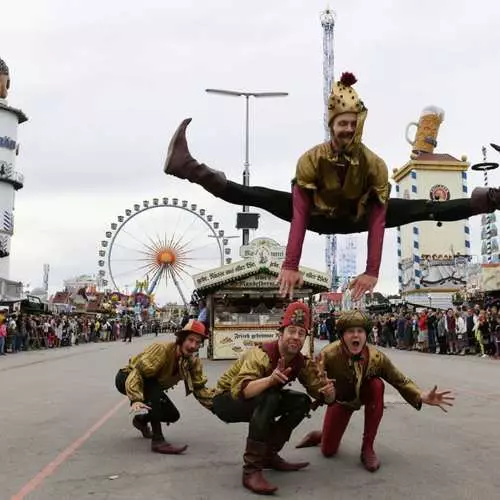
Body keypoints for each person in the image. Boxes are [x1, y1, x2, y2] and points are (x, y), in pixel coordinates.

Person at [164, 73, 500, 299]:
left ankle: (495, 198)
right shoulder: (311, 160)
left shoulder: (375, 164)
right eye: (342, 123)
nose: (347, 129)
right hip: (316, 216)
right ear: (331, 125)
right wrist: (291, 263)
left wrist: (371, 272)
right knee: (254, 194)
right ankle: (187, 167)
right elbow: (298, 212)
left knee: (428, 209)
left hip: (359, 216)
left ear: (360, 125)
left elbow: (379, 220)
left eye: (353, 124)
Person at [295, 310, 454, 472]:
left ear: (366, 335)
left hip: (366, 393)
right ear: (342, 336)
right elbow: (314, 382)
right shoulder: (328, 354)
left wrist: (420, 394)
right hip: (341, 400)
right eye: (350, 331)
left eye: (360, 331)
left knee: (377, 385)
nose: (355, 336)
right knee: (328, 451)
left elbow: (399, 379)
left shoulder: (376, 357)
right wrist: (325, 392)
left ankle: (367, 448)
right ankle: (321, 436)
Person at [212, 302, 335, 495]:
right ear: (281, 333)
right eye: (291, 331)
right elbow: (242, 390)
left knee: (301, 402)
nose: (296, 337)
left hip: (261, 396)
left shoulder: (299, 362)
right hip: (226, 400)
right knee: (269, 397)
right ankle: (251, 470)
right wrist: (270, 380)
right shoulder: (261, 354)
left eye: (301, 333)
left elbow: (319, 394)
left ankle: (269, 454)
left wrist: (328, 392)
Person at [115, 319, 214, 454]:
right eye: (190, 340)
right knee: (153, 387)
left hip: (150, 384)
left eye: (197, 342)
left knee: (172, 415)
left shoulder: (192, 362)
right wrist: (135, 398)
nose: (193, 345)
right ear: (182, 339)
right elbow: (138, 372)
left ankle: (141, 421)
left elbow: (199, 388)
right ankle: (158, 440)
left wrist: (218, 404)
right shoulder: (162, 349)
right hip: (127, 378)